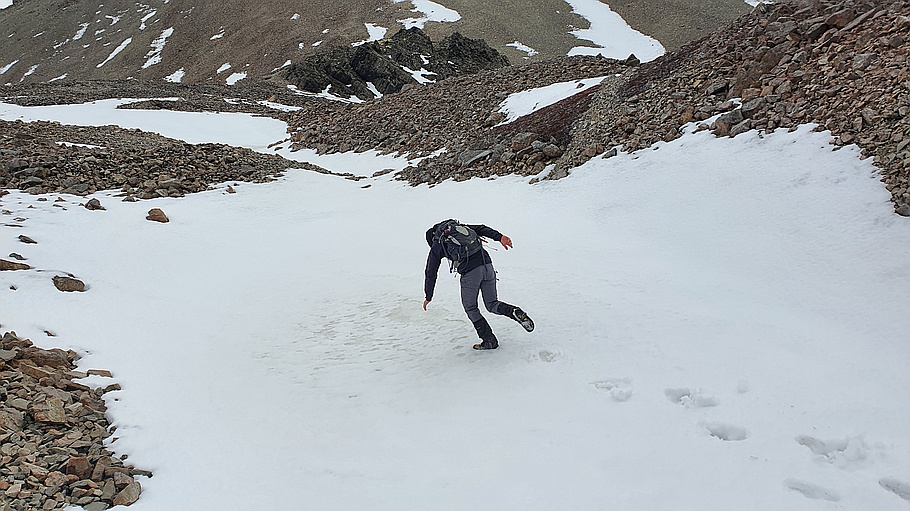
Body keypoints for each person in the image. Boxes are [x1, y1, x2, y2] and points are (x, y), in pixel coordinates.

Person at [423, 219, 534, 350]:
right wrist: (500, 237)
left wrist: (428, 296)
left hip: (471, 273)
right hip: (487, 265)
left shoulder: (438, 242)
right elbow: (482, 228)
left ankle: (489, 340)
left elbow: (431, 272)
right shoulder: (460, 228)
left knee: (471, 308)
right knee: (492, 303)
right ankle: (514, 311)